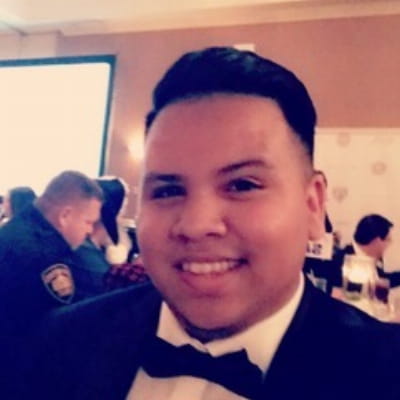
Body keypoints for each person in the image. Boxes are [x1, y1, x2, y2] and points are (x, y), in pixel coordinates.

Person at [22, 47, 400, 400]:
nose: (196, 225)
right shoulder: (64, 338)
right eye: (168, 190)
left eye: (242, 185)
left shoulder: (385, 373)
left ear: (313, 205)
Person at [0, 170, 103, 338]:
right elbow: (59, 329)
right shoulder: (46, 257)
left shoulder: (14, 229)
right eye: (88, 222)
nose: (90, 230)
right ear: (65, 216)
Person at [338, 214, 400, 287]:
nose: (389, 244)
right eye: (388, 240)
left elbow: (381, 280)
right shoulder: (341, 262)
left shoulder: (370, 257)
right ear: (377, 241)